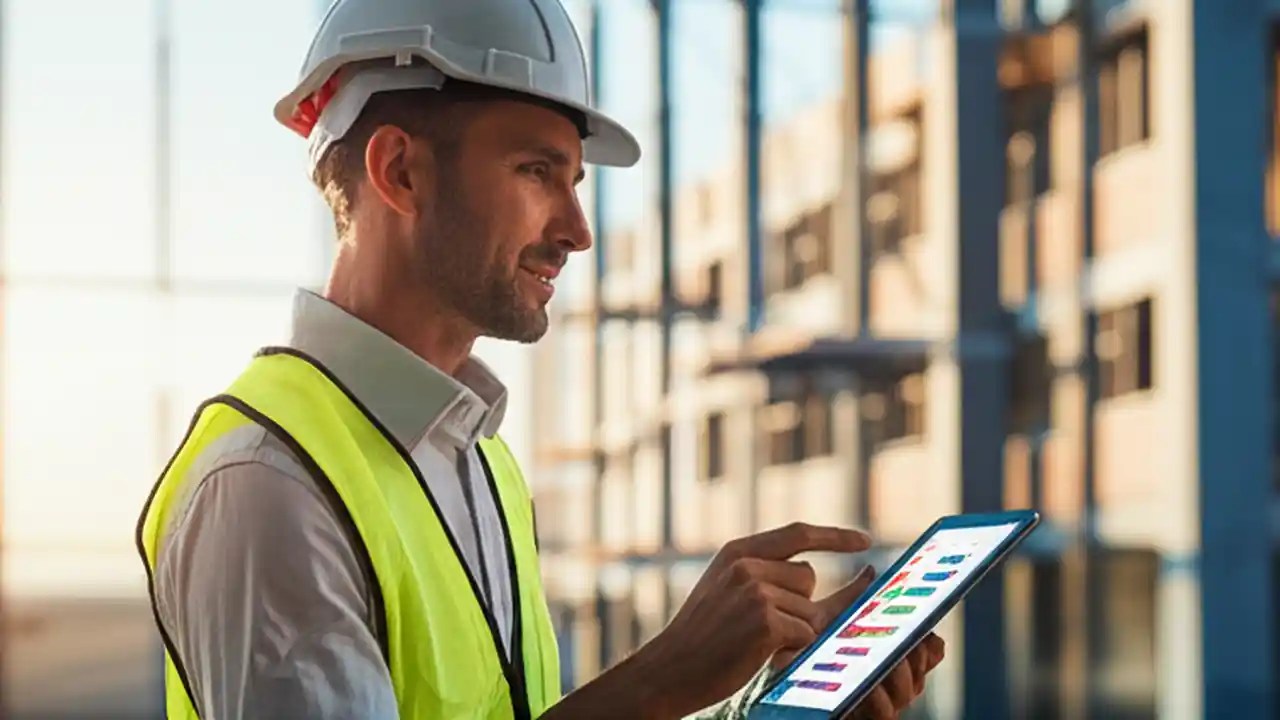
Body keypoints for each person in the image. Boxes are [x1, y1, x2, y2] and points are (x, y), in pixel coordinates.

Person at [134, 1, 945, 718]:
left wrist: (750, 710)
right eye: (536, 172)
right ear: (399, 171)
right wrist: (658, 681)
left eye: (575, 180)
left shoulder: (480, 462)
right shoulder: (267, 484)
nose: (576, 230)